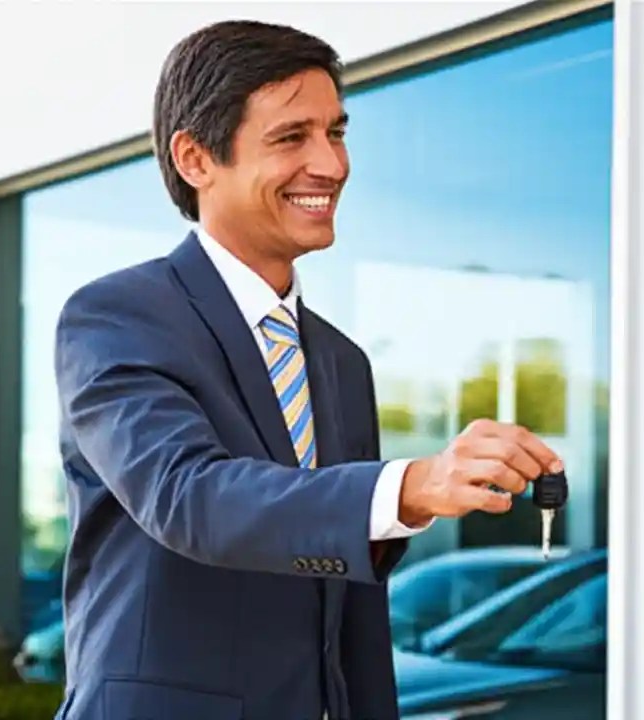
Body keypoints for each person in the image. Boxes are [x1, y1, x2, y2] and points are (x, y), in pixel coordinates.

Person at [52, 20, 562, 720]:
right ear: (196, 158)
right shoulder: (117, 317)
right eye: (292, 137)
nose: (331, 164)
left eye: (337, 133)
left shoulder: (341, 360)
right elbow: (188, 497)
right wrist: (413, 485)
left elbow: (348, 595)